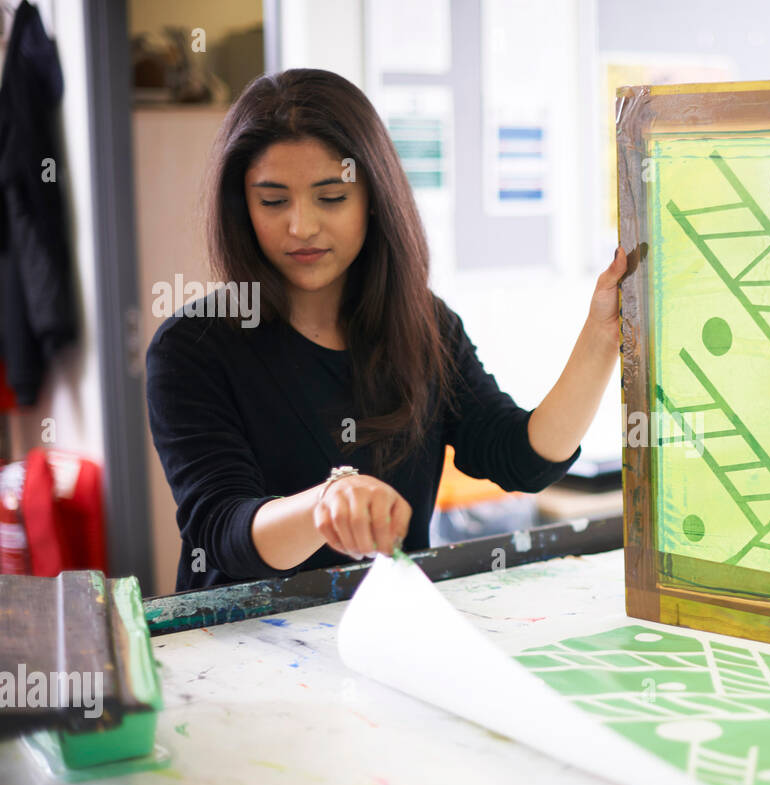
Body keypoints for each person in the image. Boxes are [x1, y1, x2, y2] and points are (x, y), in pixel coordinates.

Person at [146, 68, 626, 591]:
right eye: (273, 200)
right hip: (242, 646)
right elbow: (225, 532)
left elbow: (523, 459)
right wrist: (328, 502)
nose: (301, 226)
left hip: (387, 632)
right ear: (242, 206)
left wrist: (601, 337)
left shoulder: (425, 326)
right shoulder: (192, 347)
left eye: (331, 197)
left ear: (374, 198)